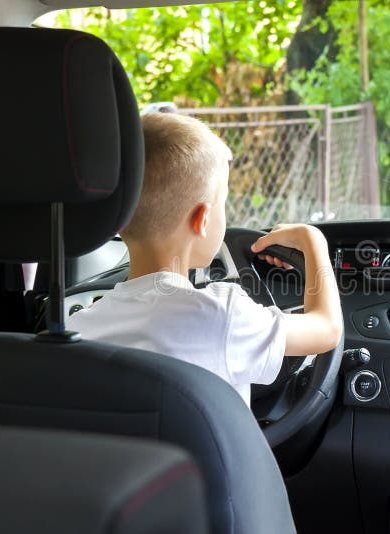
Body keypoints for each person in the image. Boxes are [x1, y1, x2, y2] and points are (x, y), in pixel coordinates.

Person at [67, 112, 343, 408]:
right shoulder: (222, 315)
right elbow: (326, 329)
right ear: (203, 219)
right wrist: (313, 241)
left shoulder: (80, 328)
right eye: (222, 202)